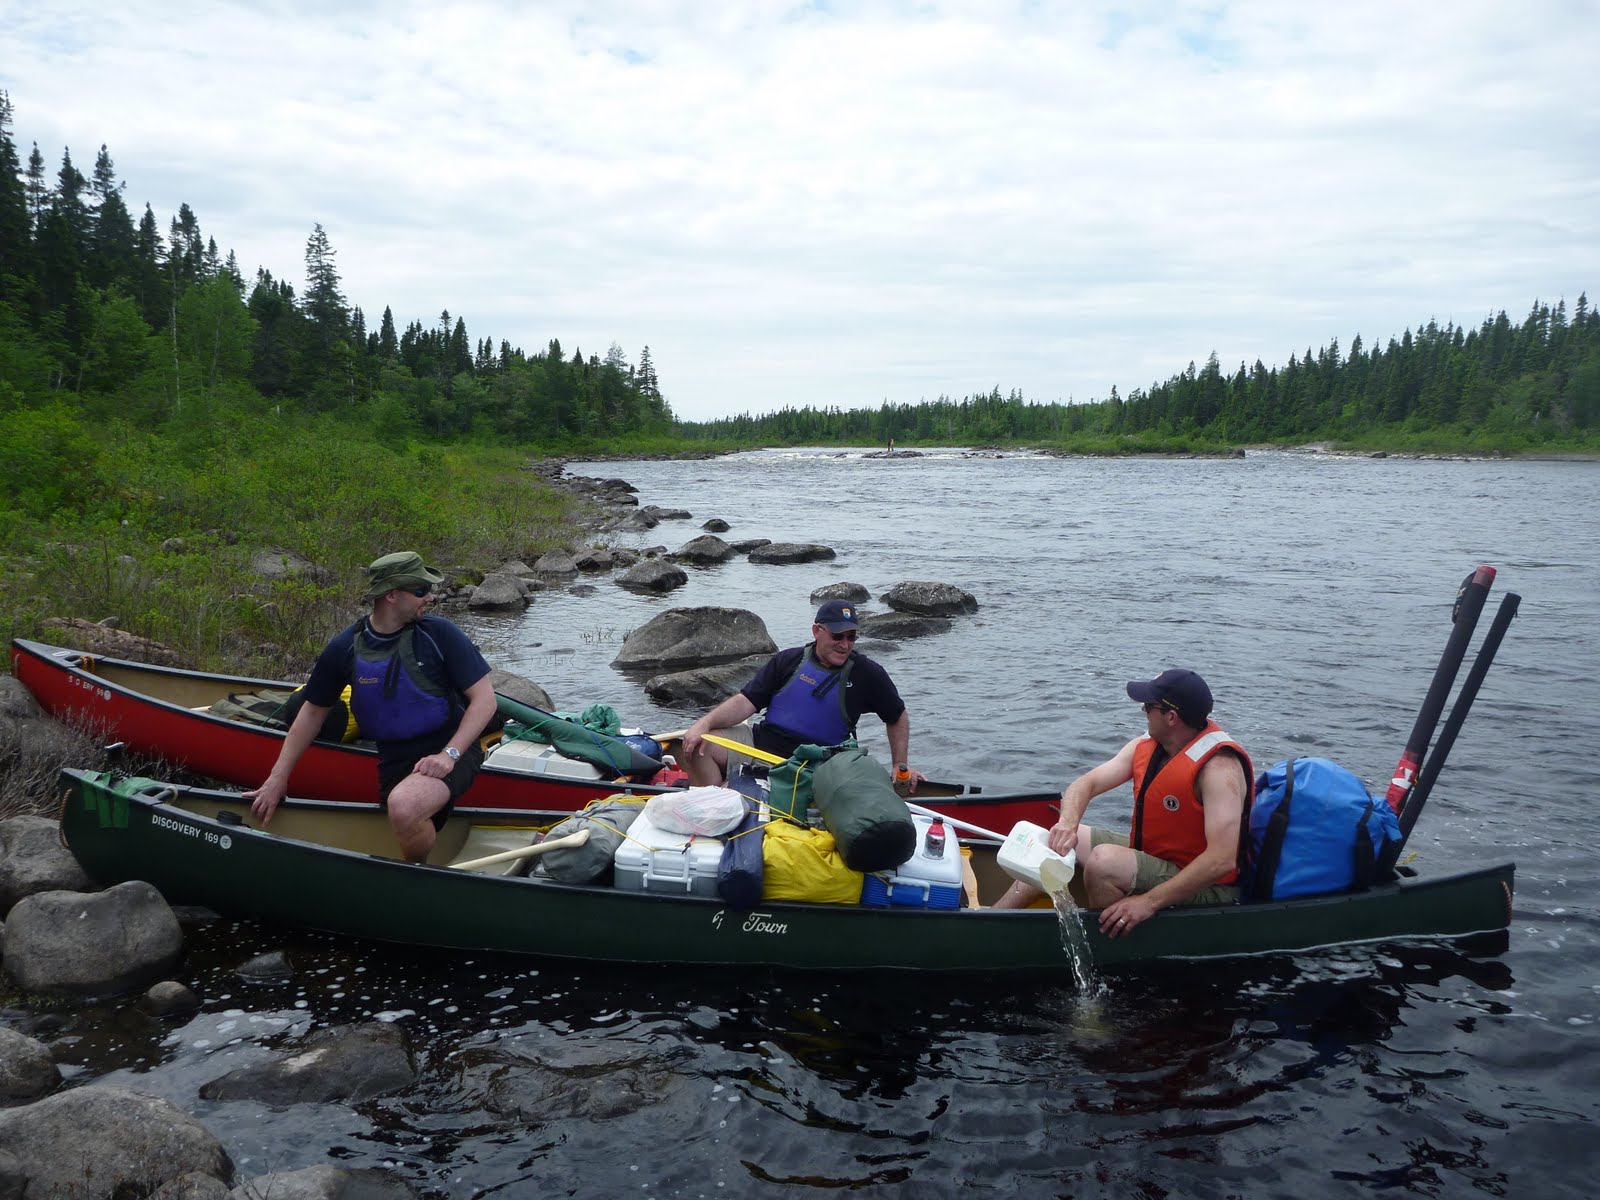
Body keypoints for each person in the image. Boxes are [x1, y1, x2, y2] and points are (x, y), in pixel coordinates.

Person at [246, 550, 498, 863]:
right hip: (393, 758)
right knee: (403, 809)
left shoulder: (440, 635)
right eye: (420, 591)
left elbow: (485, 700)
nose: (430, 598)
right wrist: (276, 779)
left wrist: (449, 755)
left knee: (405, 806)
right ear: (391, 595)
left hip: (451, 749)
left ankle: (413, 876)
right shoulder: (346, 646)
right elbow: (311, 713)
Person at [993, 669, 1252, 936]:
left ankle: (1108, 947)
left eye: (1148, 707)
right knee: (1057, 840)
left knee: (1103, 863)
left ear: (1171, 717)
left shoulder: (1220, 770)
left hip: (1208, 888)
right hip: (1158, 857)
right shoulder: (1149, 745)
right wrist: (1068, 824)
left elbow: (1221, 861)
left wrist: (1147, 903)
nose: (1143, 711)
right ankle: (993, 920)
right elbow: (1086, 783)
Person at [681, 598, 926, 791]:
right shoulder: (788, 660)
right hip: (760, 747)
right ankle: (713, 802)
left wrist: (899, 765)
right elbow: (745, 703)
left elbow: (897, 716)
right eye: (837, 636)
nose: (845, 644)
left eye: (851, 637)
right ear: (816, 631)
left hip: (817, 766)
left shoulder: (868, 674)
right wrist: (704, 723)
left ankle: (743, 791)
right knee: (698, 744)